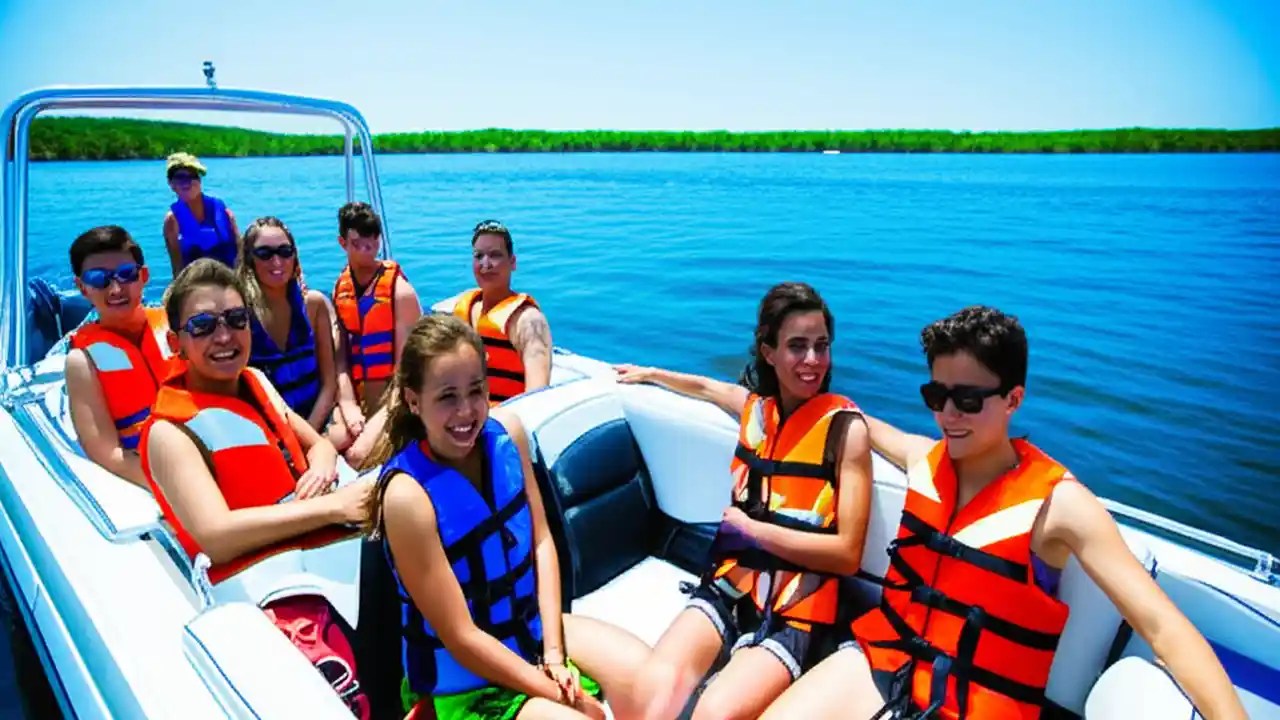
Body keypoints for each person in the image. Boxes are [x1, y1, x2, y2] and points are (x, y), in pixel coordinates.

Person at [758, 306, 1247, 720]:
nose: (949, 415)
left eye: (969, 400)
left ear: (1014, 399)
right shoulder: (921, 460)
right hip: (881, 659)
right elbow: (848, 415)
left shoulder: (1059, 506)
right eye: (936, 396)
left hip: (976, 703)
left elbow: (1164, 628)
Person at [365, 313, 648, 720]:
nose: (466, 412)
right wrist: (560, 693)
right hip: (467, 685)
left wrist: (553, 653)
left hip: (529, 636)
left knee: (649, 679)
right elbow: (460, 638)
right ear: (413, 400)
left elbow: (541, 541)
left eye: (476, 391)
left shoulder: (508, 435)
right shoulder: (407, 497)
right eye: (447, 396)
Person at [614, 282, 873, 720]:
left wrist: (754, 532)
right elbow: (706, 388)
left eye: (821, 346)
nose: (812, 361)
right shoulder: (756, 409)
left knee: (713, 714)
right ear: (768, 352)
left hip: (796, 611)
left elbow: (848, 555)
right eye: (797, 346)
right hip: (732, 586)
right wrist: (652, 374)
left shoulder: (847, 433)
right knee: (653, 690)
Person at [141, 258, 374, 717]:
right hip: (271, 592)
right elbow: (217, 534)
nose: (225, 337)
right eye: (204, 325)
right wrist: (333, 508)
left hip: (328, 558)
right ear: (176, 343)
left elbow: (320, 446)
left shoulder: (256, 382)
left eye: (235, 320)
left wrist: (324, 468)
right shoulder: (169, 434)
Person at [66, 225, 179, 489]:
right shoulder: (82, 362)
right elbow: (107, 453)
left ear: (144, 275)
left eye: (126, 275)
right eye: (98, 279)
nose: (116, 289)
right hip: (155, 475)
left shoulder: (178, 326)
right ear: (83, 288)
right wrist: (176, 488)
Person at [329, 202, 422, 468]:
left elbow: (410, 368)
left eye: (371, 243)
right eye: (357, 243)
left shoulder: (399, 293)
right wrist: (347, 404)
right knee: (321, 445)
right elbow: (341, 358)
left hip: (395, 402)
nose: (365, 251)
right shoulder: (340, 288)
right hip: (357, 402)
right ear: (342, 242)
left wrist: (383, 413)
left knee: (358, 457)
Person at [235, 216, 337, 430]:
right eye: (265, 254)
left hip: (318, 422)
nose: (277, 262)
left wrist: (309, 435)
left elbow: (329, 384)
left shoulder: (314, 305)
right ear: (250, 260)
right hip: (269, 430)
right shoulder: (241, 317)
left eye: (284, 252)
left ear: (295, 257)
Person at [452, 220, 551, 405]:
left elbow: (537, 395)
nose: (485, 264)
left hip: (504, 422)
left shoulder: (527, 320)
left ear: (512, 262)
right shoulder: (464, 307)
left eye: (495, 255)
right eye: (478, 256)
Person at [161, 152, 239, 274]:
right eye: (180, 177)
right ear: (171, 183)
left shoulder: (221, 210)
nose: (187, 182)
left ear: (199, 180)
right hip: (198, 285)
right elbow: (177, 268)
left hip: (229, 280)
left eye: (192, 176)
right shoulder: (172, 220)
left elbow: (240, 253)